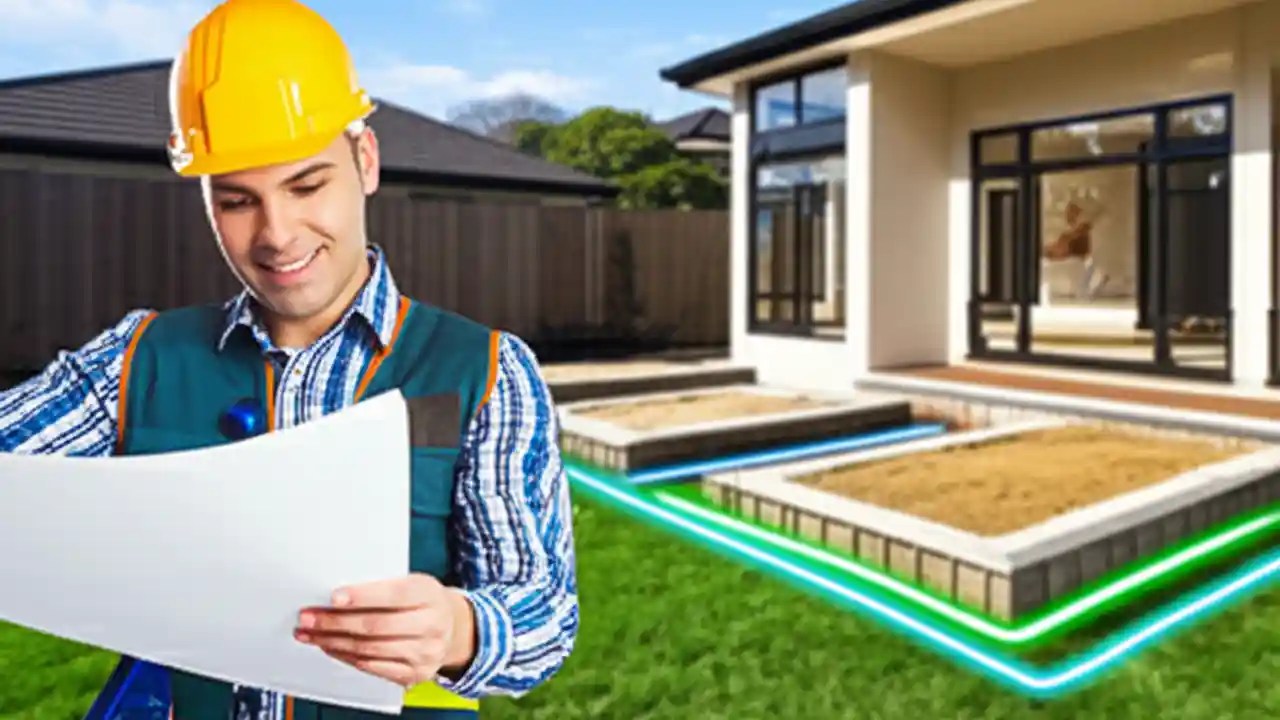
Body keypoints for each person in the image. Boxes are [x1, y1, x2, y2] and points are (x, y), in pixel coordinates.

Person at [0, 0, 578, 718]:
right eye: (238, 200)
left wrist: (459, 629)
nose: (277, 234)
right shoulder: (135, 360)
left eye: (307, 186)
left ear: (364, 161)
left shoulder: (486, 371)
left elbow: (546, 614)